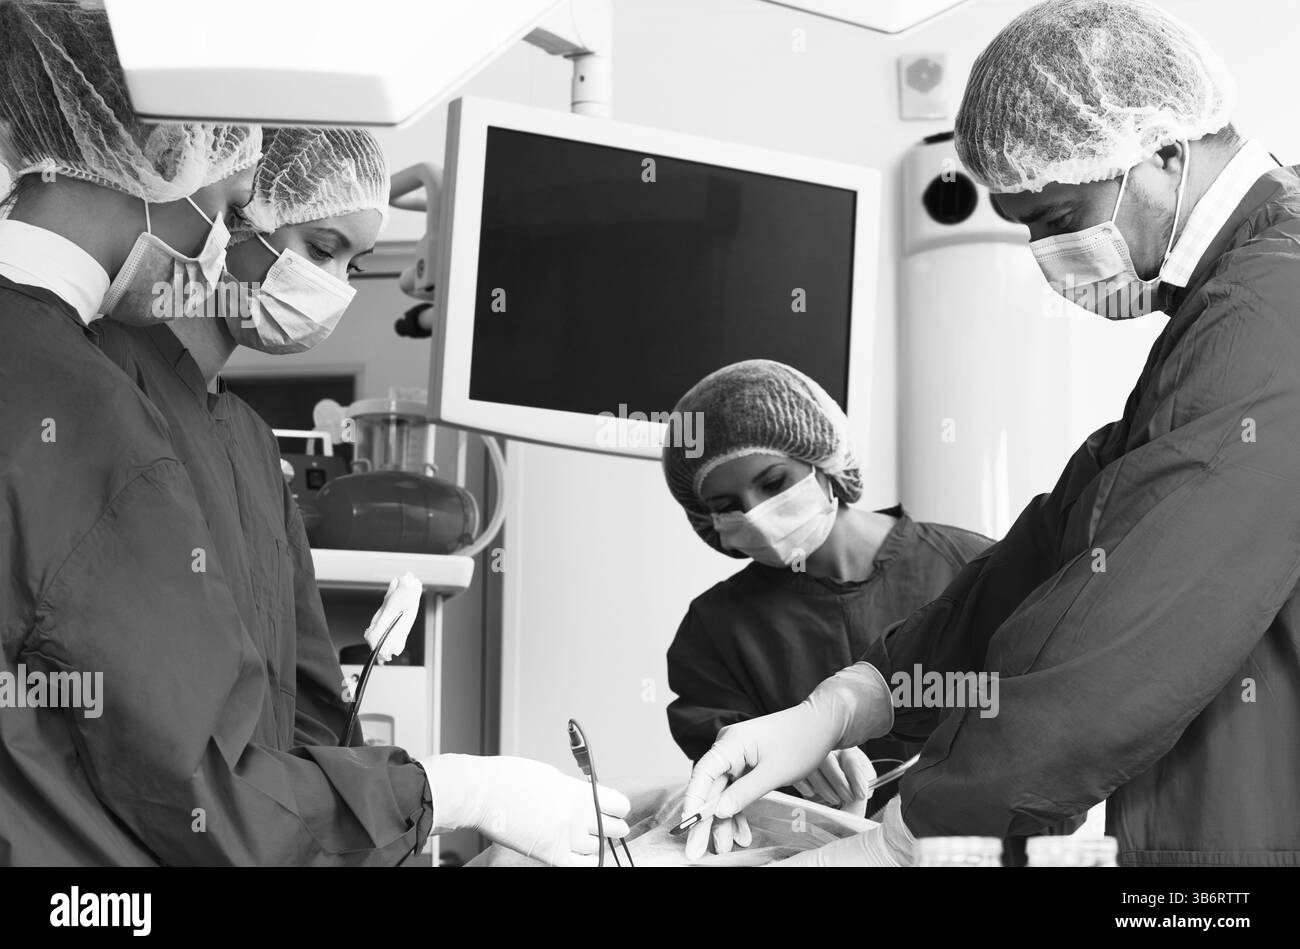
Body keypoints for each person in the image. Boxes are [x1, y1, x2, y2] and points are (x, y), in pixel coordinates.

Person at [0, 0, 627, 865]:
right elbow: (201, 784)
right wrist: (452, 793)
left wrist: (392, 812)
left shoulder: (233, 442)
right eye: (227, 205)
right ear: (155, 157)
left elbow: (285, 718)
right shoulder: (94, 403)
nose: (219, 237)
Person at [683, 0, 1300, 866]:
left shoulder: (1271, 309)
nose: (1050, 256)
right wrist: (851, 701)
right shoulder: (1219, 315)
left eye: (1058, 218)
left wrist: (903, 838)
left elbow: (1114, 659)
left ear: (1163, 148)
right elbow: (1067, 543)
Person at [95, 126, 392, 749]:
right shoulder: (108, 380)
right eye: (321, 248)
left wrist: (373, 807)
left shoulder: (254, 445)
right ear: (237, 214)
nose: (336, 286)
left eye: (353, 265)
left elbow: (312, 695)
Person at [660, 360, 991, 852]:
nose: (756, 513)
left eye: (773, 483)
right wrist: (768, 753)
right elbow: (720, 757)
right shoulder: (714, 629)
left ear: (824, 460)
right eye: (729, 506)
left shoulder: (970, 567)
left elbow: (1046, 715)